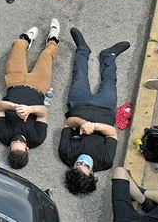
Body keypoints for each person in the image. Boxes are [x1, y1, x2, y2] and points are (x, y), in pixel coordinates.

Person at [59, 28, 128, 195]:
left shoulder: (66, 154)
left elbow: (68, 124)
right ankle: (109, 56)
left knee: (79, 75)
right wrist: (94, 126)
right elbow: (112, 133)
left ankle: (82, 49)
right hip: (105, 109)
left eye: (78, 164)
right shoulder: (105, 161)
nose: (82, 161)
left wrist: (82, 123)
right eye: (86, 166)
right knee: (110, 81)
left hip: (79, 105)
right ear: (92, 173)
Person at [0, 19, 60, 169]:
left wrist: (14, 107)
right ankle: (53, 39)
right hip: (39, 86)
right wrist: (30, 110)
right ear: (27, 149)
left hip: (14, 82)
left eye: (14, 142)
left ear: (9, 149)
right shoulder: (37, 139)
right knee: (47, 55)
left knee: (18, 44)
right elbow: (43, 113)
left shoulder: (3, 135)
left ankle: (27, 40)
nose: (17, 139)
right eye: (21, 142)